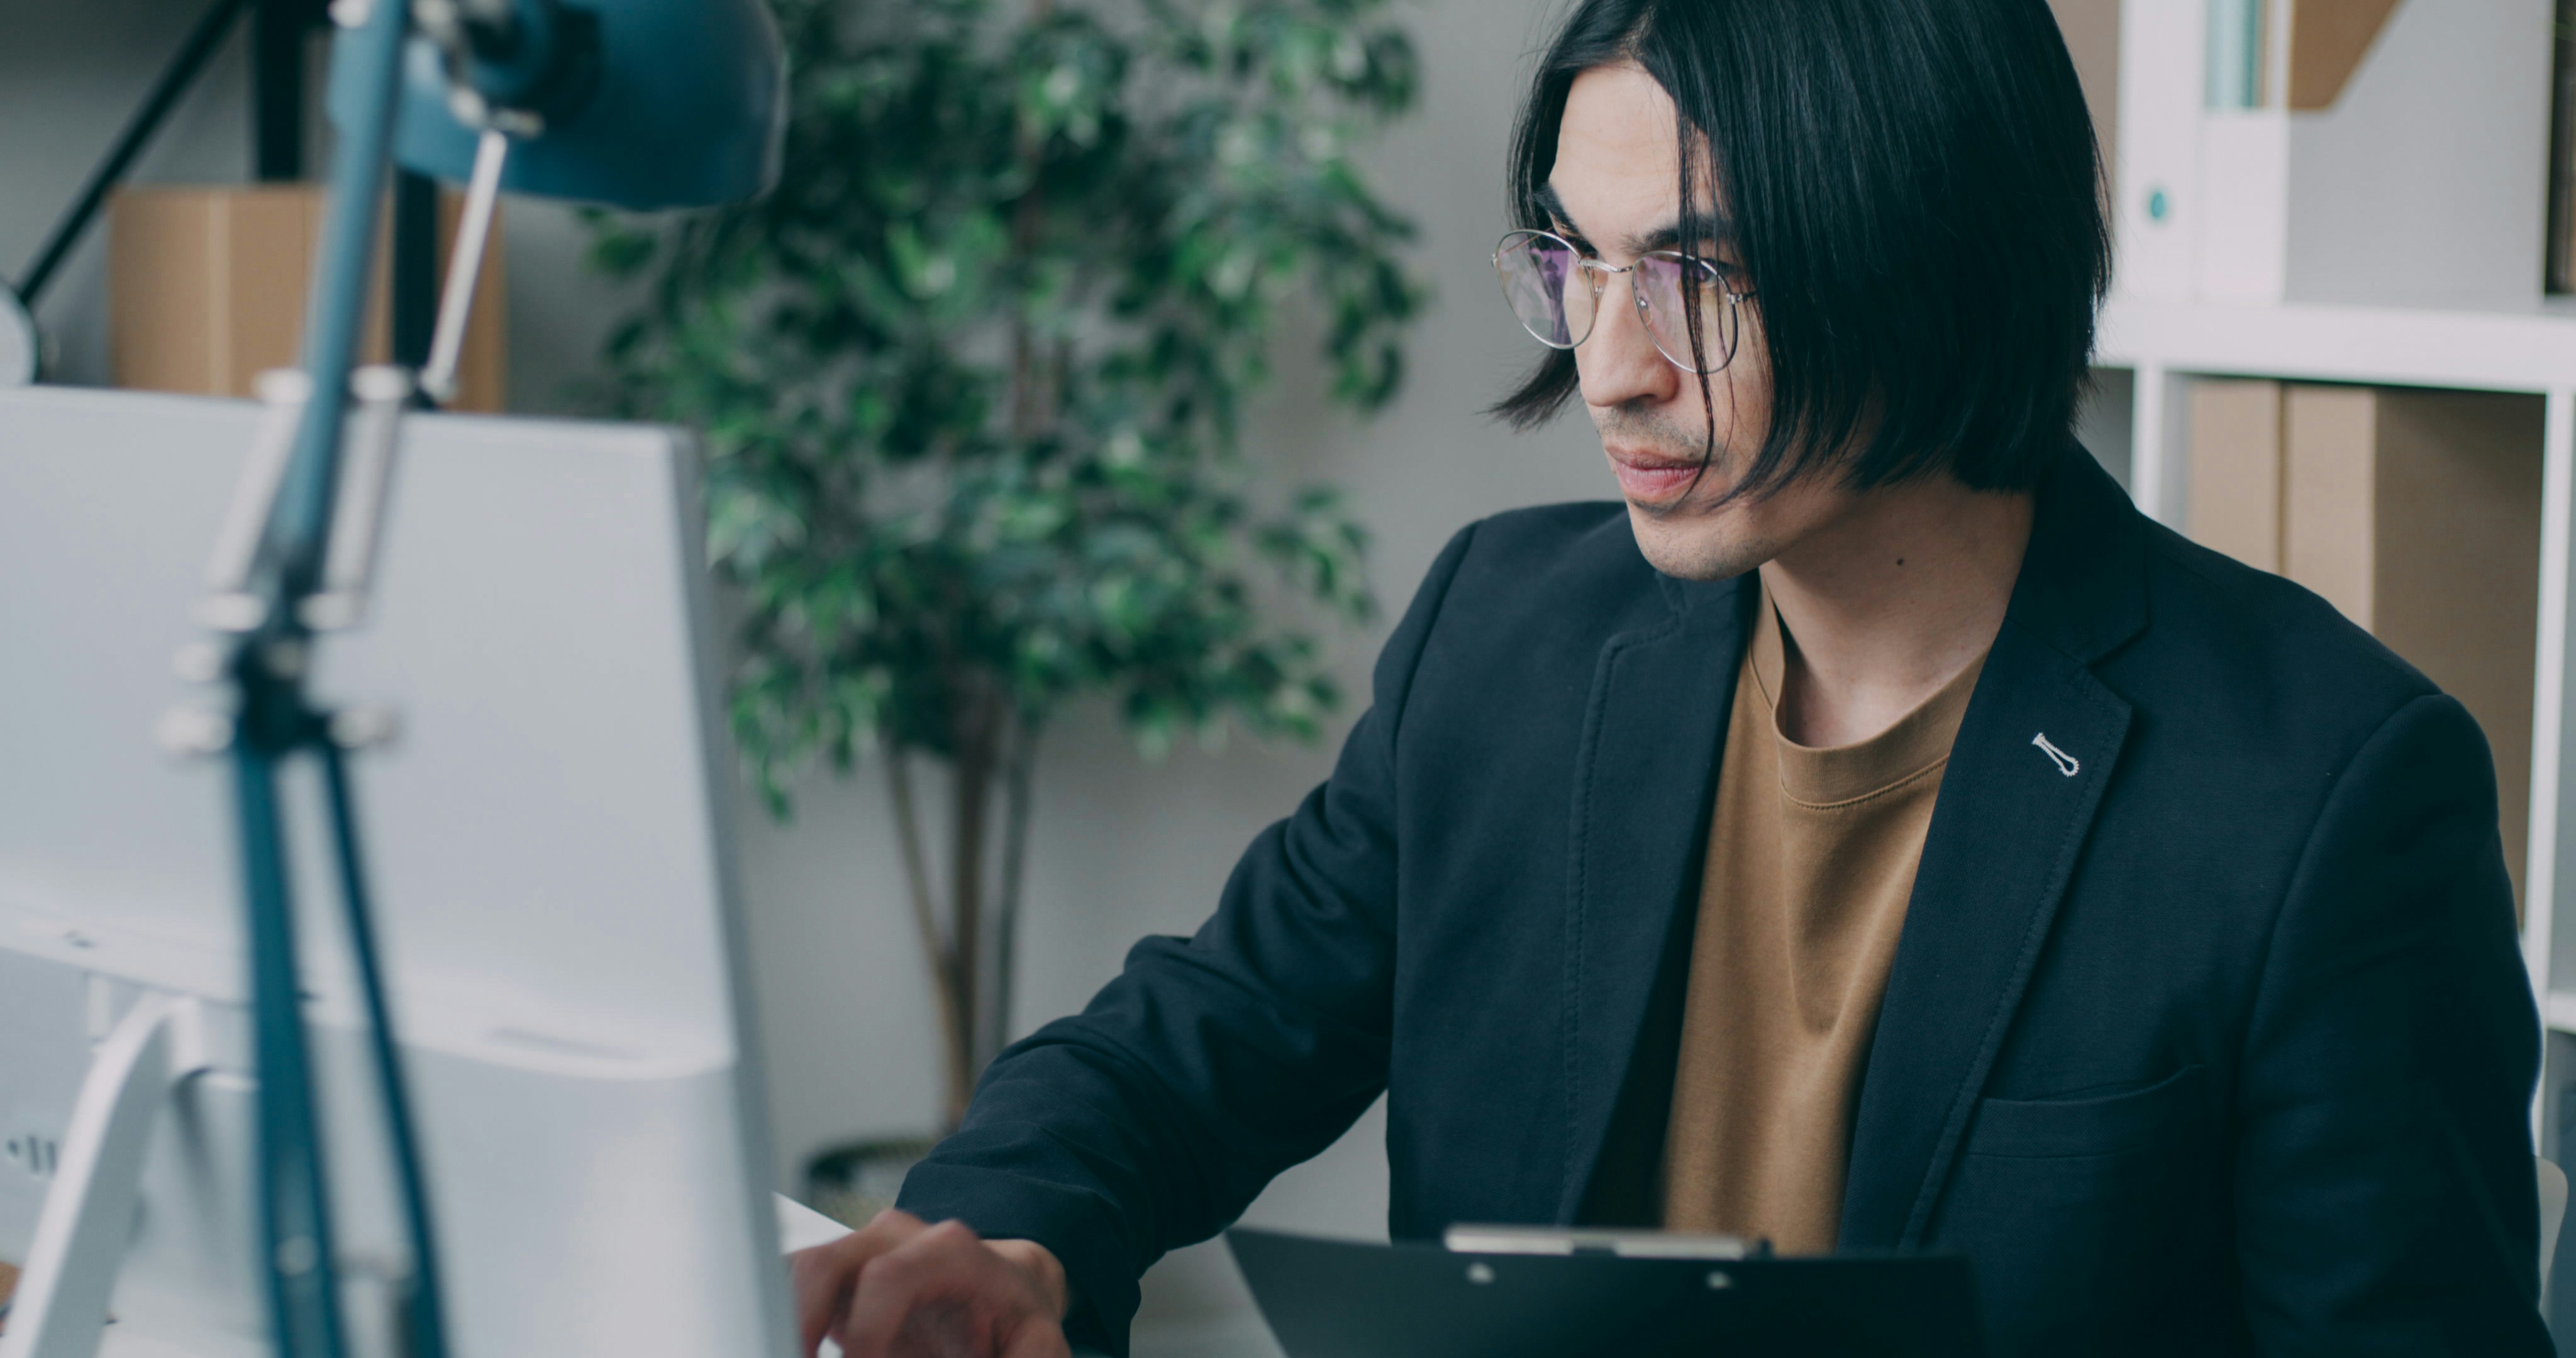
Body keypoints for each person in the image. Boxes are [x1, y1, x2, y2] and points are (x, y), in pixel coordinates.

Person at [789, 0, 2550, 1353]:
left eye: (1696, 270)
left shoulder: (2322, 793)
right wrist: (1011, 1238)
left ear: (1928, 251)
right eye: (1577, 262)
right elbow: (1200, 1037)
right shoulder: (1507, 640)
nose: (1613, 368)